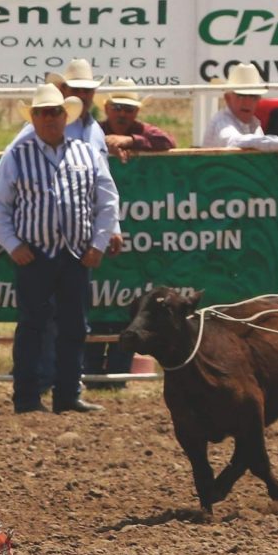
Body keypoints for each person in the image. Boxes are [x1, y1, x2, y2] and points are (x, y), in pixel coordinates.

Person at [0, 83, 120, 414]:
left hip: (76, 254)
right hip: (34, 254)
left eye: (56, 112)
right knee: (32, 325)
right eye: (44, 112)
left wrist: (98, 243)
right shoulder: (16, 154)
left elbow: (107, 200)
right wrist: (13, 245)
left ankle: (67, 394)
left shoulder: (86, 152)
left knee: (75, 326)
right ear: (33, 117)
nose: (50, 118)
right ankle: (27, 398)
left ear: (65, 116)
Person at [84, 78, 178, 389]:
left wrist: (131, 142)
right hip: (99, 230)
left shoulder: (141, 131)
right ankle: (91, 374)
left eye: (129, 109)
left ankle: (119, 376)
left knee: (127, 306)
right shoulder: (92, 132)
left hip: (133, 238)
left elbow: (168, 141)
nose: (123, 113)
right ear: (107, 108)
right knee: (96, 303)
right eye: (118, 108)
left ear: (136, 112)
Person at [202, 63, 278, 167]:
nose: (247, 102)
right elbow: (235, 142)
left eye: (253, 96)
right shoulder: (222, 122)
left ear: (258, 99)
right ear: (228, 98)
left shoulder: (254, 125)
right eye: (241, 96)